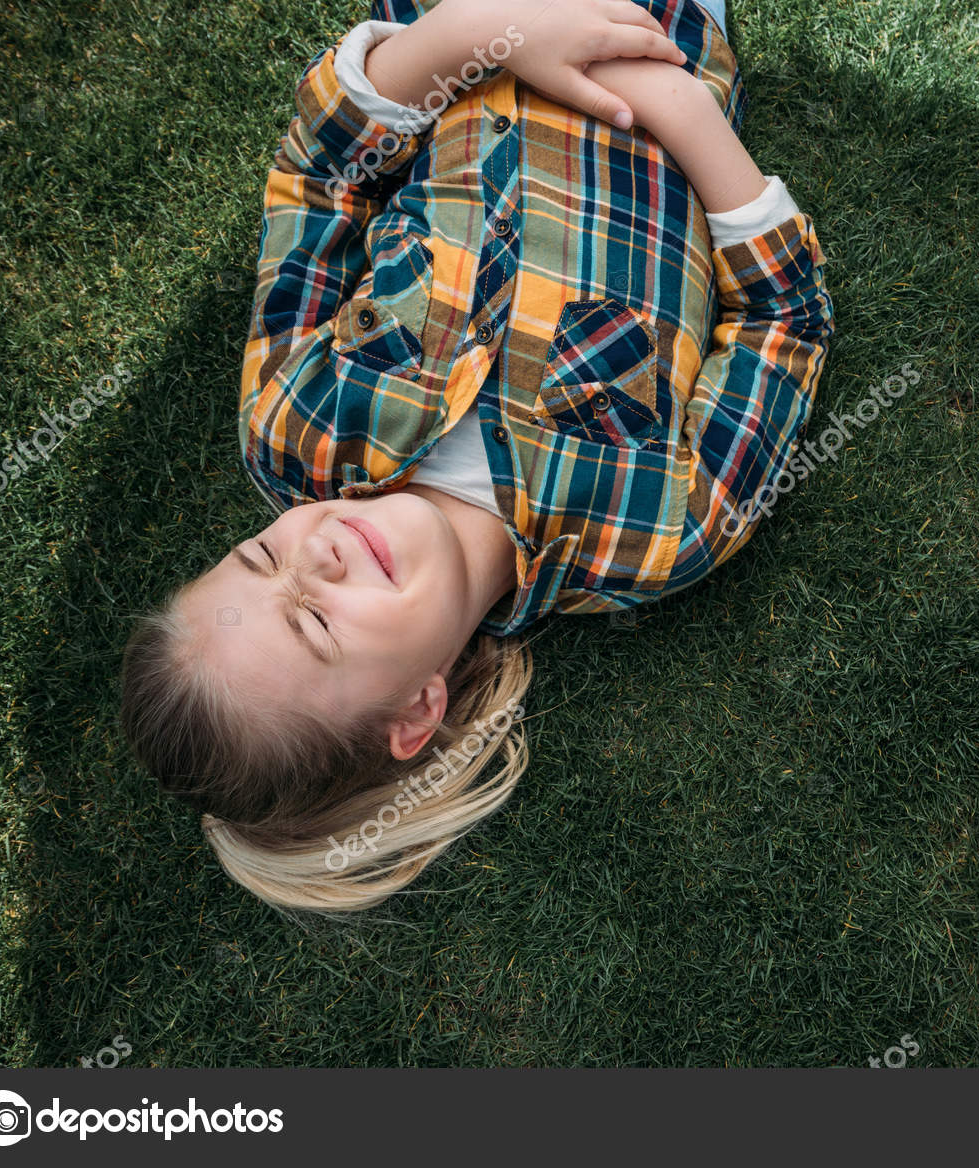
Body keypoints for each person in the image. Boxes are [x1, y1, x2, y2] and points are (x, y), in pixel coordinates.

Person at [120, 0, 832, 913]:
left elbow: (318, 177)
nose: (315, 552)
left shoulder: (293, 427)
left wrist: (477, 32)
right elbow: (785, 323)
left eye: (259, 558)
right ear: (418, 712)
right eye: (315, 624)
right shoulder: (650, 532)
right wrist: (678, 109)